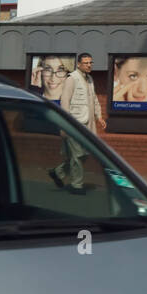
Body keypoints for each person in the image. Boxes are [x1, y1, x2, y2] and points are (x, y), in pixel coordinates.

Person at [48, 53, 105, 194]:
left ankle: (58, 172)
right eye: (86, 63)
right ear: (79, 64)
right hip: (75, 124)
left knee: (84, 154)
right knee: (78, 154)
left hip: (88, 124)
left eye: (91, 62)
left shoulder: (90, 79)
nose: (89, 65)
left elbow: (94, 99)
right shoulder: (72, 79)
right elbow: (65, 101)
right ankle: (76, 185)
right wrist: (65, 124)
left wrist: (100, 116)